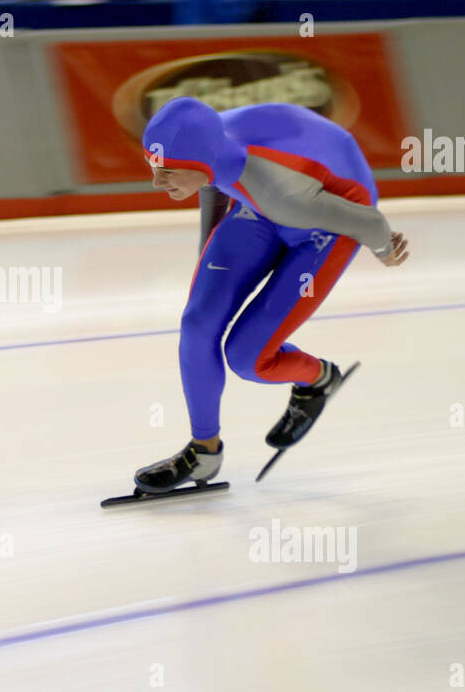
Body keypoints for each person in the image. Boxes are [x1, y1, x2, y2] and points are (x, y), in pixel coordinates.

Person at [134, 98, 409, 494]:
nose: (157, 182)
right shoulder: (210, 140)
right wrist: (210, 262)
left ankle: (317, 379)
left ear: (201, 161)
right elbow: (215, 181)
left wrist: (387, 251)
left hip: (323, 221)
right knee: (198, 322)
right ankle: (203, 451)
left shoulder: (284, 195)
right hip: (261, 202)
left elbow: (371, 223)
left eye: (168, 172)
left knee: (248, 359)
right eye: (153, 168)